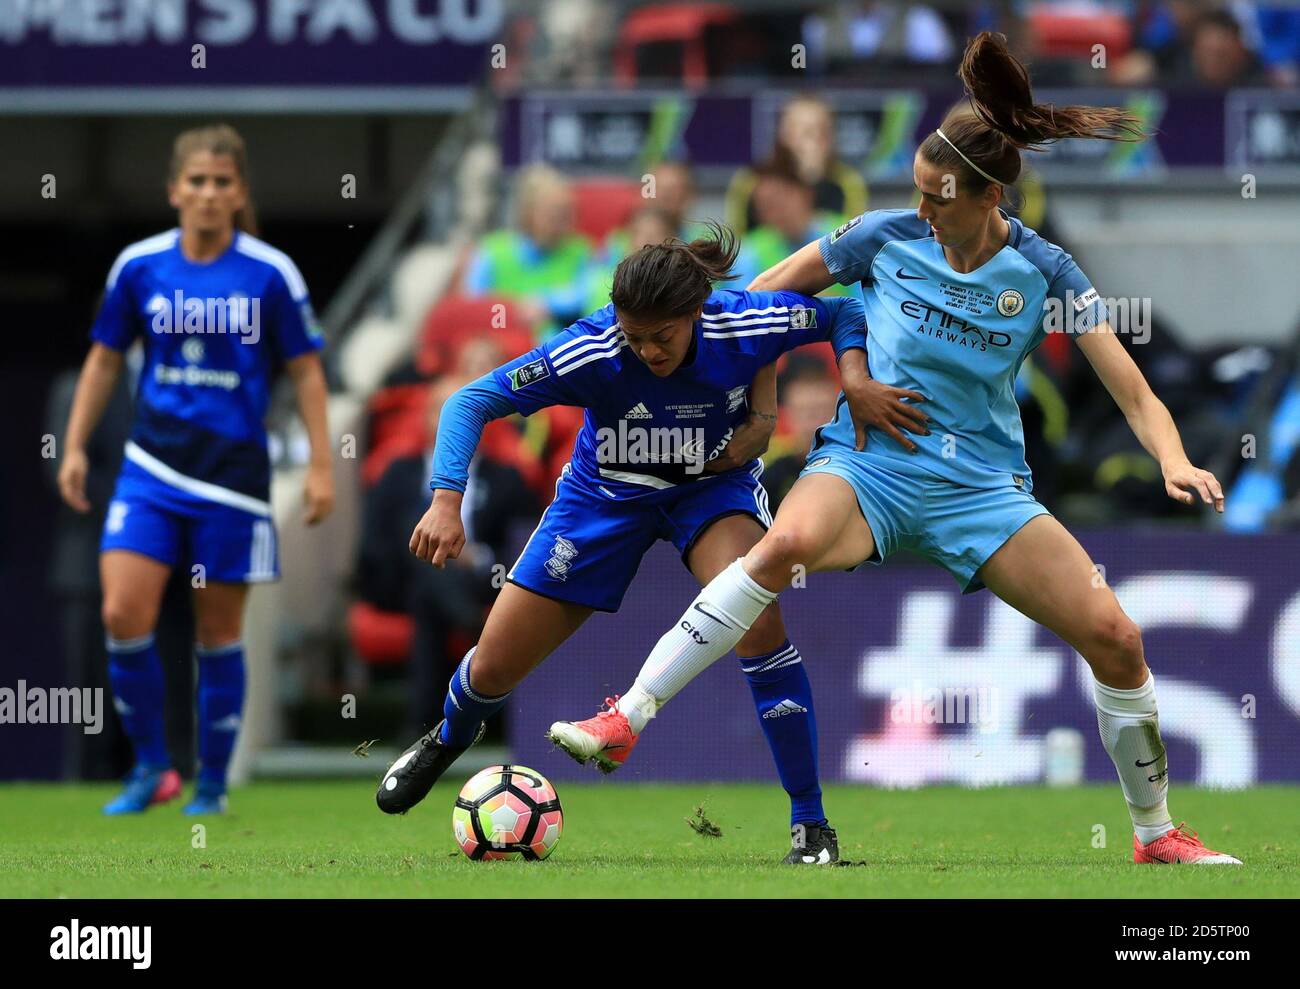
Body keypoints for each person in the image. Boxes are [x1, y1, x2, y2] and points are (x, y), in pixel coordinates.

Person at [557, 33, 1241, 866]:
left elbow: (1132, 391)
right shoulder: (880, 237)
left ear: (991, 194)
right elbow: (757, 306)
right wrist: (761, 394)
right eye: (916, 193)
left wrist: (1171, 456)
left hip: (981, 486)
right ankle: (626, 715)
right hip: (869, 463)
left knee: (1118, 637)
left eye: (938, 199)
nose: (921, 211)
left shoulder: (1046, 269)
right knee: (787, 545)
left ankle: (1154, 831)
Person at [376, 224, 867, 865]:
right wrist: (445, 500)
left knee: (759, 622)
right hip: (603, 498)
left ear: (696, 313)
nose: (646, 351)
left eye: (661, 337)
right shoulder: (595, 348)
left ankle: (810, 824)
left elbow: (845, 311)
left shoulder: (742, 323)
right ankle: (446, 737)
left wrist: (841, 384)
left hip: (709, 492)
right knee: (494, 666)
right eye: (633, 336)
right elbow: (470, 401)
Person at [57, 124, 334, 815]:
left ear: (239, 192)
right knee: (122, 609)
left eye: (222, 182)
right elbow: (103, 360)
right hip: (151, 466)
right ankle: (153, 766)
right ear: (174, 189)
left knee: (218, 633)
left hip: (232, 475)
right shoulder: (139, 266)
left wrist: (323, 465)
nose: (209, 194)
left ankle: (210, 783)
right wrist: (74, 445)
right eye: (197, 181)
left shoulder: (271, 272)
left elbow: (306, 371)